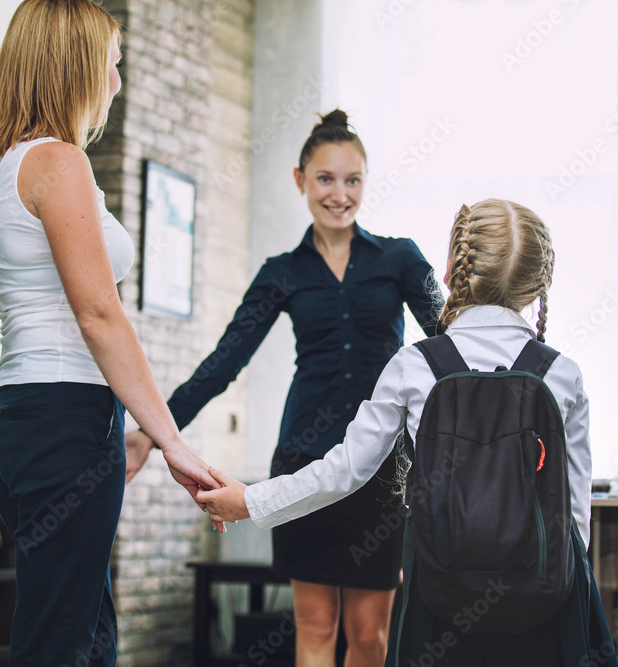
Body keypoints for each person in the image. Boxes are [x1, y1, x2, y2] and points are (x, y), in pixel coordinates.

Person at [198, 199, 612, 666]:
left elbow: (345, 470)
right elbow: (575, 514)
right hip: (544, 598)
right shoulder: (563, 374)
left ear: (453, 270)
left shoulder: (415, 365)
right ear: (541, 281)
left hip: (441, 595)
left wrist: (249, 501)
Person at [127, 110, 440, 666]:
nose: (338, 194)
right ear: (300, 180)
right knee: (315, 628)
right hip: (303, 460)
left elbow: (449, 346)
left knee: (369, 637)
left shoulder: (400, 258)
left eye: (352, 180)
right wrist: (154, 433)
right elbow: (225, 361)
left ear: (365, 183)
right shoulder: (282, 271)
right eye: (325, 179)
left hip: (381, 468)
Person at [0, 2, 219, 664]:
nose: (117, 80)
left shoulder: (2, 165)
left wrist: (135, 429)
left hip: (24, 416)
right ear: (77, 68)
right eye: (112, 64)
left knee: (82, 625)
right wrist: (171, 441)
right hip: (67, 417)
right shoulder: (58, 162)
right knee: (64, 638)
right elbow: (99, 314)